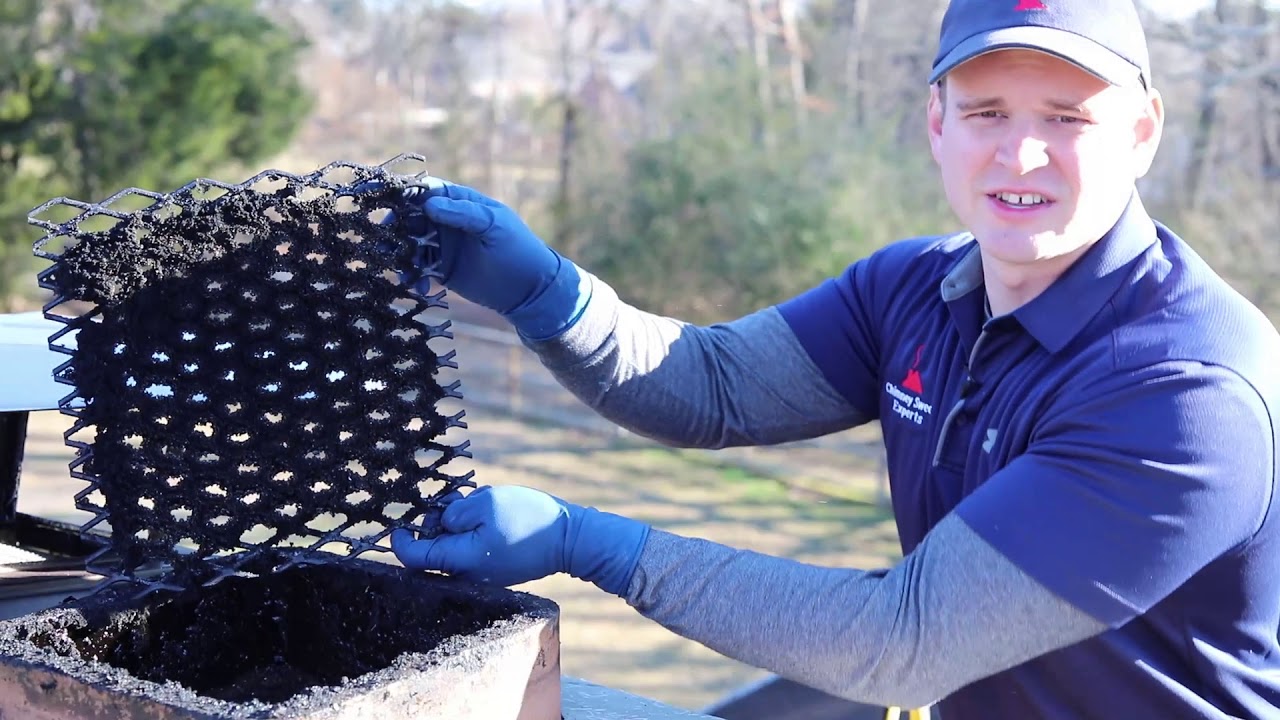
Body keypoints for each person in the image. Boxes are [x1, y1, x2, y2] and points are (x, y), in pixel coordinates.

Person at [387, 0, 1280, 717]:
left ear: (1142, 130)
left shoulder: (1186, 392)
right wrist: (543, 290)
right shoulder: (913, 289)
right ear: (937, 121)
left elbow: (901, 642)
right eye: (986, 112)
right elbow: (711, 386)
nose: (1023, 152)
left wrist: (592, 544)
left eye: (1067, 117)